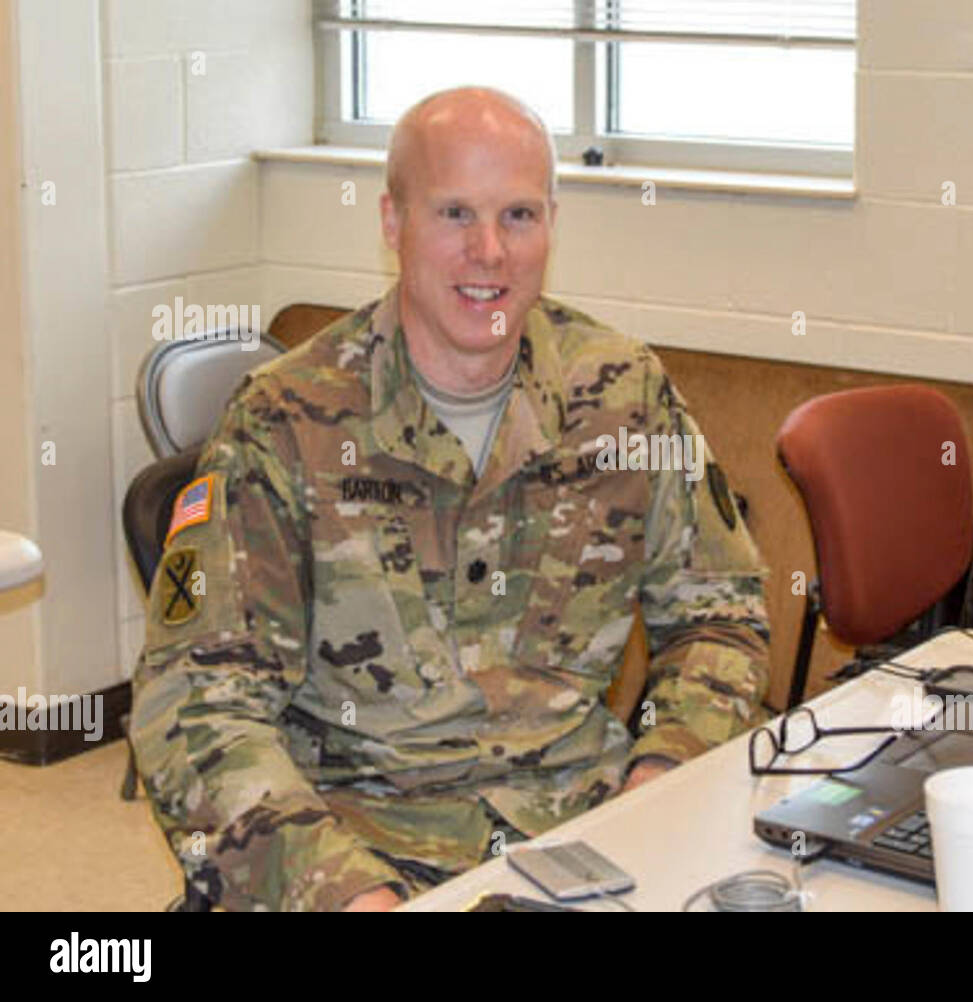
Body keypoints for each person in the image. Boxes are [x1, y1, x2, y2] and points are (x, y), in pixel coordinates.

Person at [130, 87, 769, 912]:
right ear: (393, 224)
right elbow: (198, 706)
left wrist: (663, 774)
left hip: (582, 839)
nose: (490, 253)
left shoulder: (622, 395)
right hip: (357, 847)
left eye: (520, 216)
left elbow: (720, 611)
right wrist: (352, 896)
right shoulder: (285, 421)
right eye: (455, 214)